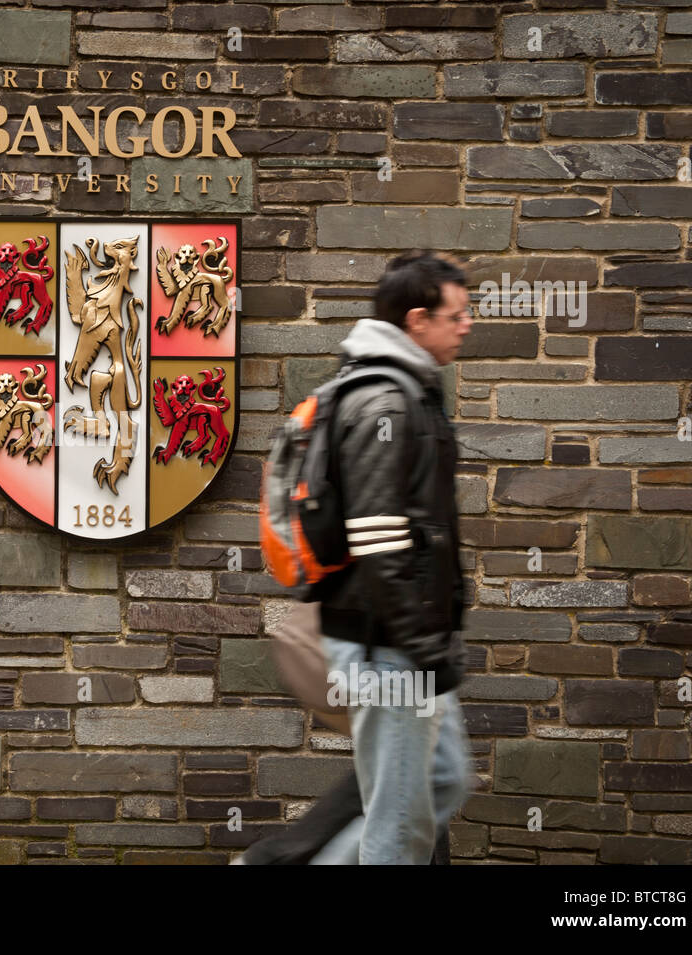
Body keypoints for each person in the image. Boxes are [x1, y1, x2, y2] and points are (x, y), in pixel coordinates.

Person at [236, 250, 475, 865]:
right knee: (396, 830)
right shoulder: (384, 404)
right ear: (418, 320)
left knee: (440, 781)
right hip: (385, 645)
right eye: (458, 313)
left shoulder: (406, 391)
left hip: (402, 639)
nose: (467, 324)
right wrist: (422, 646)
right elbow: (378, 541)